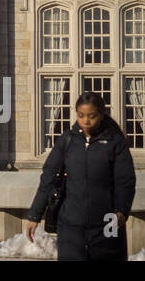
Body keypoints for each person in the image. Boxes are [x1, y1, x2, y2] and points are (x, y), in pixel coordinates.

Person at [25, 92, 136, 260]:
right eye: (81, 115)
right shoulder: (67, 140)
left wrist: (121, 211)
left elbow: (125, 181)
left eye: (91, 116)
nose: (86, 121)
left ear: (101, 114)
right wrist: (35, 215)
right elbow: (48, 177)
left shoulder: (115, 142)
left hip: (108, 221)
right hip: (71, 224)